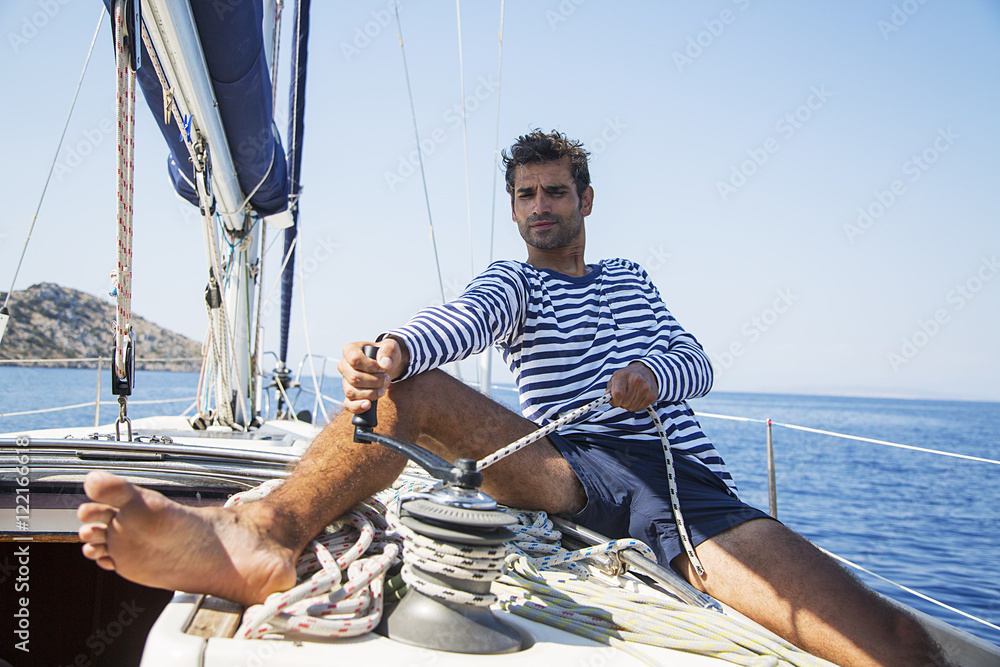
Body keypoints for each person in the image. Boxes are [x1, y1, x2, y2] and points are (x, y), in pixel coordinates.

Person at [78, 130, 948, 666]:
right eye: (525, 194)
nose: (539, 205)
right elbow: (463, 318)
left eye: (554, 191)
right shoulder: (514, 283)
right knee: (413, 389)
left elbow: (693, 354)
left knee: (899, 646)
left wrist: (654, 380)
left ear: (586, 199)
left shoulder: (630, 277)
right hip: (570, 467)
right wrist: (395, 349)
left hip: (687, 489)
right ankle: (260, 534)